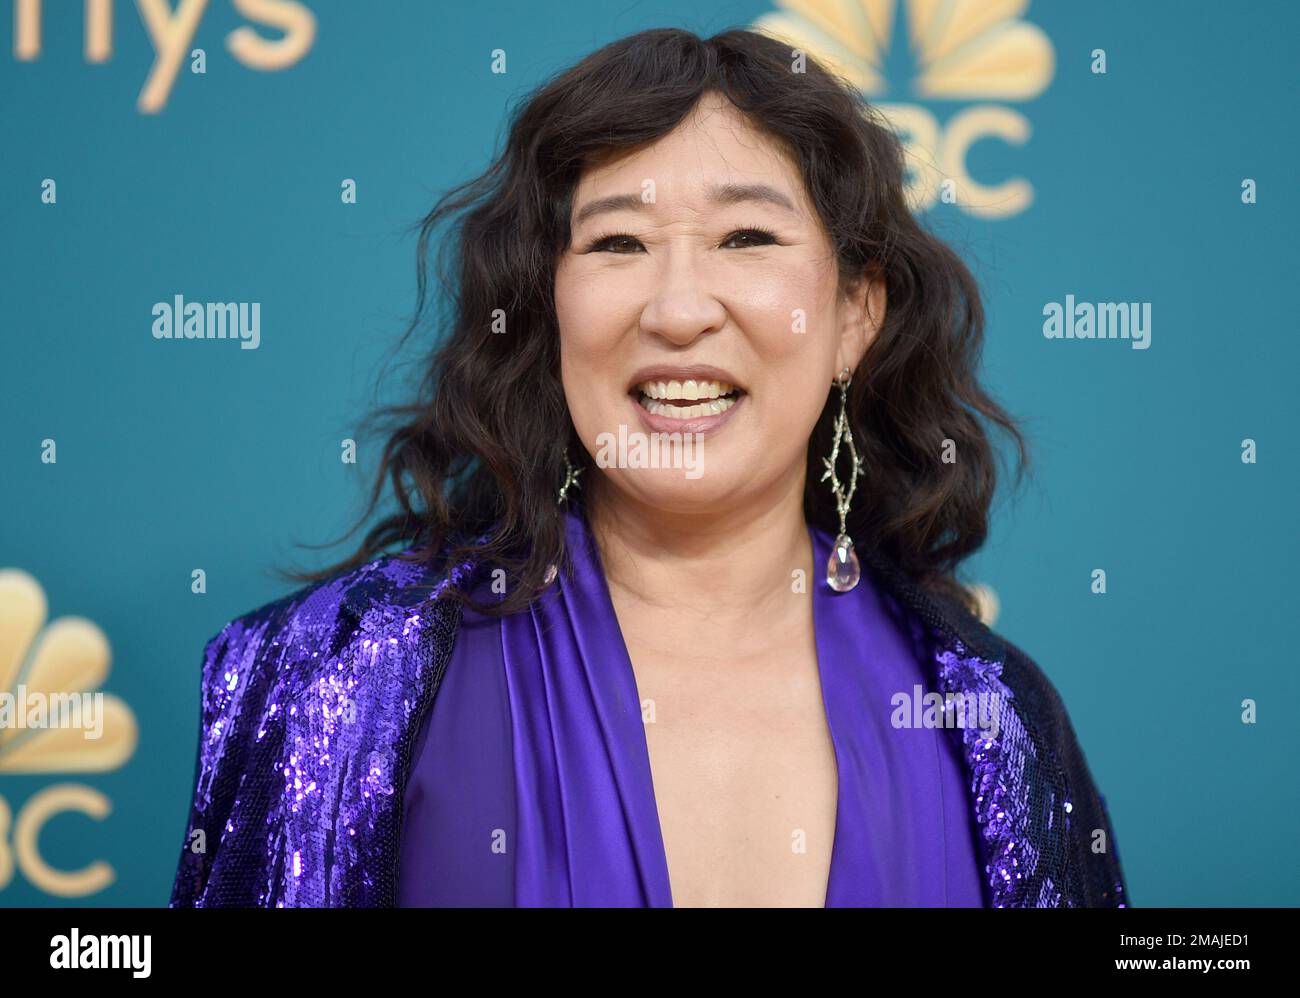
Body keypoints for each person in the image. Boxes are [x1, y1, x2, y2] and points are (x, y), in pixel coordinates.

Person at [169, 27, 1127, 908]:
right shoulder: (341, 675)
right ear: (547, 312)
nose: (677, 310)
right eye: (618, 242)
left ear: (853, 319)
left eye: (746, 238)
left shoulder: (989, 716)